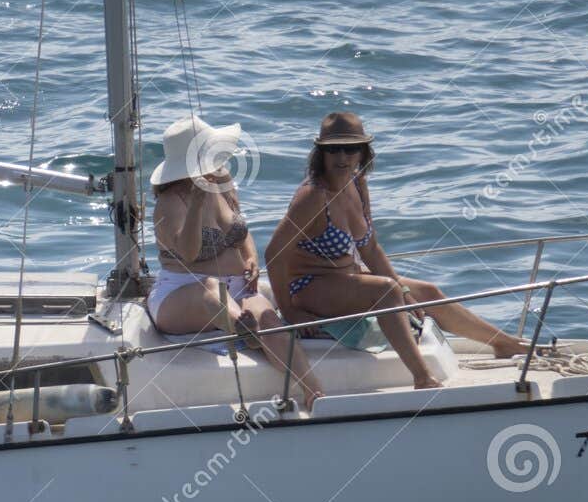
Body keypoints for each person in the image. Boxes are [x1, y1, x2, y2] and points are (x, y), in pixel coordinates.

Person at [266, 112, 526, 390]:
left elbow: (371, 248)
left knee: (425, 292)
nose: (342, 157)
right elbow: (273, 253)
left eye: (351, 148)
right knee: (387, 291)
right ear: (321, 153)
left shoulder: (356, 183)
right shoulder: (314, 196)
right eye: (333, 149)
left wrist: (405, 295)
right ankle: (422, 378)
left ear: (363, 151)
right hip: (309, 288)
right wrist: (291, 313)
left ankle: (503, 343)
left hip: (346, 279)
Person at [149, 114, 324, 411]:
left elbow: (241, 231)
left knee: (268, 317)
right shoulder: (169, 203)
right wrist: (196, 204)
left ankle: (314, 391)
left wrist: (252, 258)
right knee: (211, 288)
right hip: (183, 293)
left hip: (237, 288)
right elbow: (189, 253)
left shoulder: (224, 180)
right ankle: (241, 327)